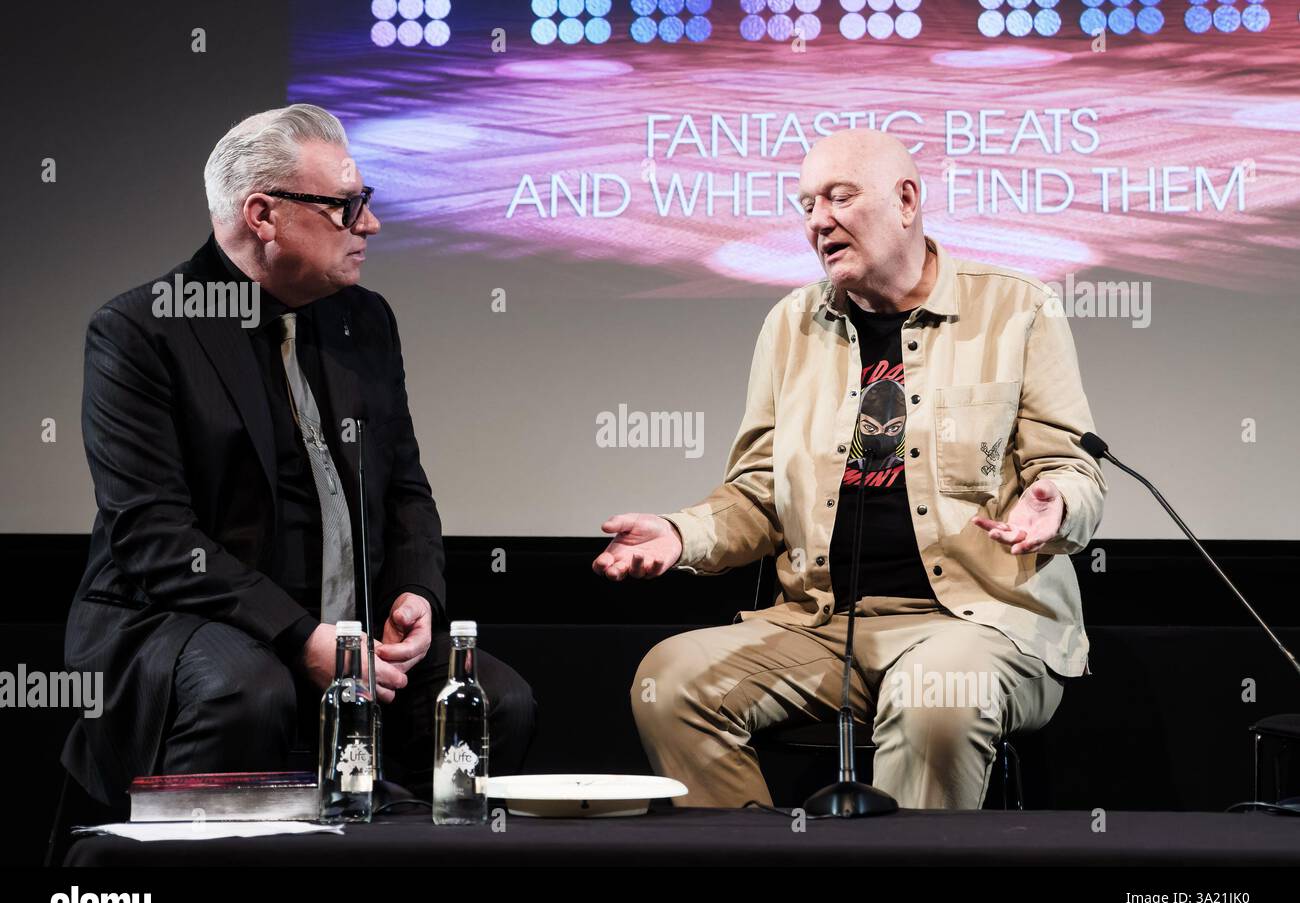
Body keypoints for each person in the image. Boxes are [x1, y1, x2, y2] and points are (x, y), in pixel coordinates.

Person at [594, 129, 1106, 810]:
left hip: (979, 622)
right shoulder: (790, 326)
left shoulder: (1015, 310)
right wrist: (679, 534)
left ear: (905, 201)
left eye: (839, 197)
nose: (818, 220)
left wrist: (1058, 505)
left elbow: (1071, 468)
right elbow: (756, 497)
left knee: (936, 696)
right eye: (807, 205)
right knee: (673, 681)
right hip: (820, 623)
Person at [62, 104, 535, 811]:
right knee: (248, 689)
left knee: (499, 699)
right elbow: (151, 536)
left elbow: (405, 486)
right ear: (263, 214)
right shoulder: (141, 331)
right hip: (184, 620)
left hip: (344, 623)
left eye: (364, 203)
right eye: (345, 207)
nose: (369, 225)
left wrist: (416, 594)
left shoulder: (363, 321)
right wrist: (298, 635)